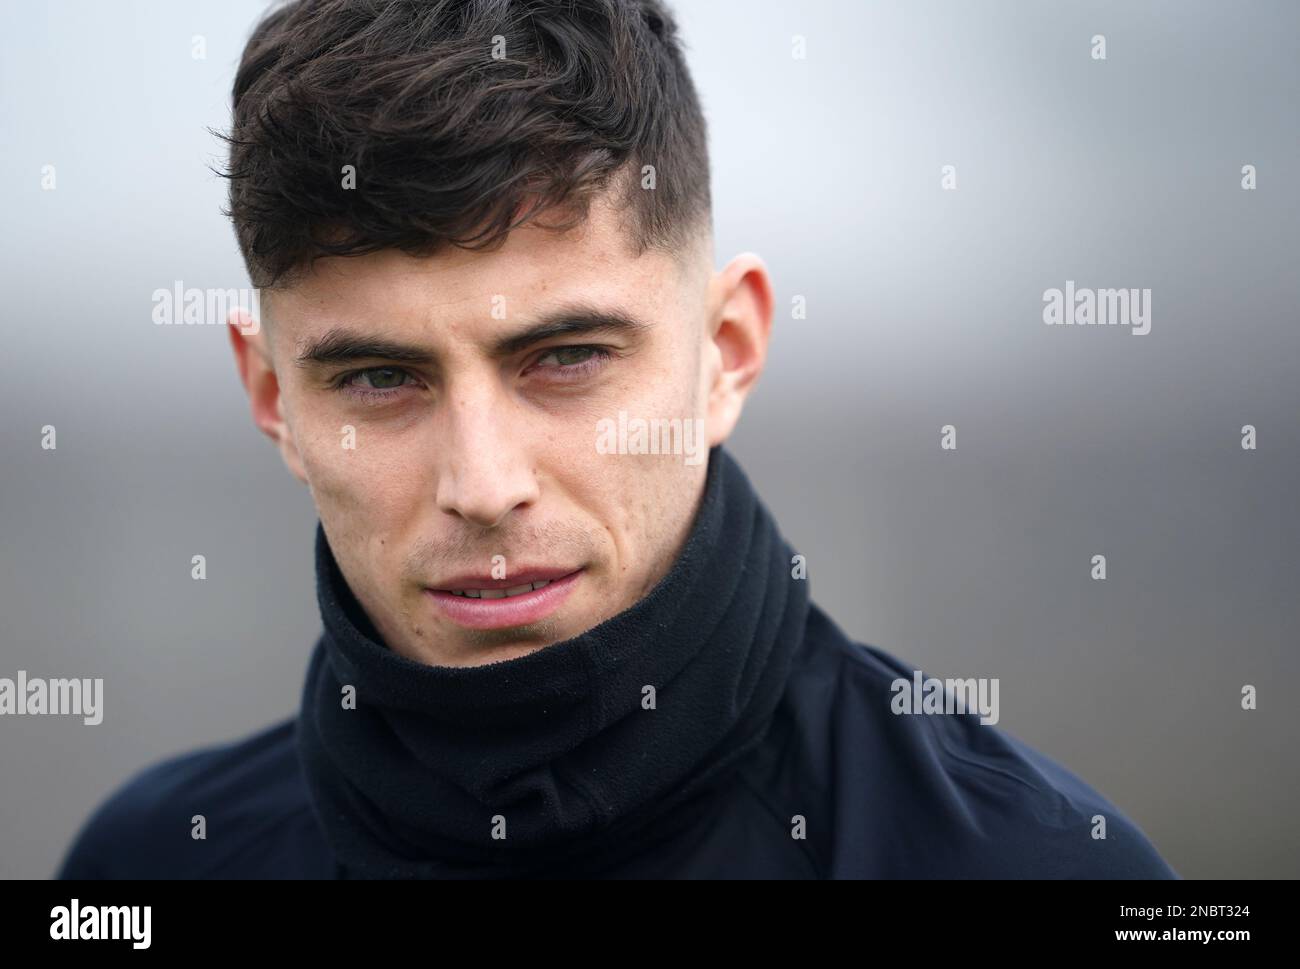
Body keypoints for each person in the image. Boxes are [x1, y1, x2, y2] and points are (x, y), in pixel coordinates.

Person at [58, 0, 1176, 879]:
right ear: (272, 401)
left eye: (566, 359)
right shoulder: (148, 867)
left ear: (725, 352)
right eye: (380, 379)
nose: (483, 486)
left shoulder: (1023, 866)